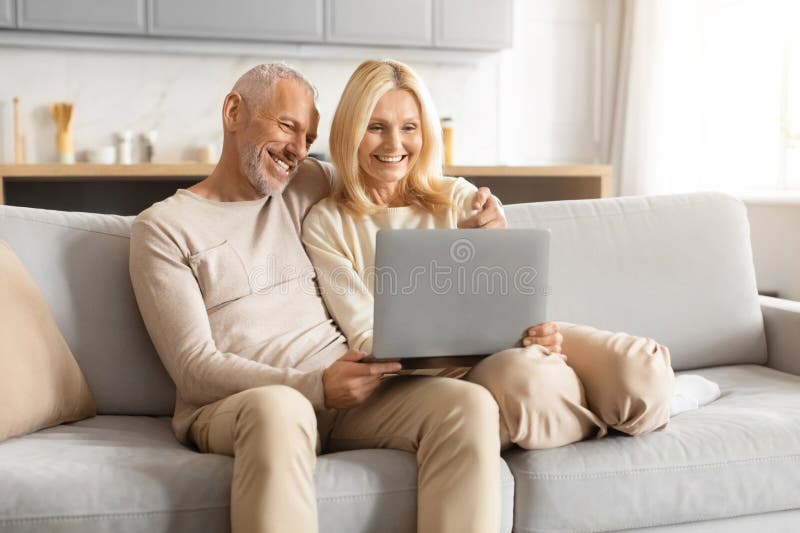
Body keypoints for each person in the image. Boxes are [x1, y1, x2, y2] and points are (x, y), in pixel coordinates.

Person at [128, 63, 508, 533]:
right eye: (286, 126)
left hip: (347, 392)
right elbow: (193, 367)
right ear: (232, 111)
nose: (296, 150)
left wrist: (479, 217)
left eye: (308, 137)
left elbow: (394, 170)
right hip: (241, 403)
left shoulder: (305, 182)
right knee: (279, 407)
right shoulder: (162, 229)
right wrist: (313, 387)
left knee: (465, 404)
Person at [301, 58, 675, 528]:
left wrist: (527, 320)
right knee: (529, 383)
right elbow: (368, 334)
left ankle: (599, 400)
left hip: (507, 345)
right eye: (376, 127)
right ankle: (600, 415)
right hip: (427, 376)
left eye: (409, 127)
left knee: (642, 372)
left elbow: (515, 297)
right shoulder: (328, 224)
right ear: (351, 131)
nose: (395, 144)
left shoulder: (458, 197)